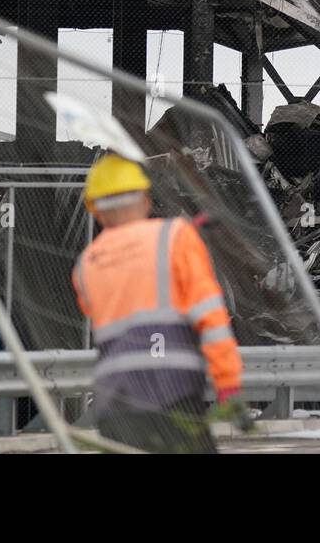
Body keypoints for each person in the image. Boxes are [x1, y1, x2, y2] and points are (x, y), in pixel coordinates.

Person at [72, 153, 243, 453]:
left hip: (116, 405)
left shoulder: (86, 265)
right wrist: (227, 382)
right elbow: (211, 318)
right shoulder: (175, 237)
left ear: (94, 210)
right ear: (145, 199)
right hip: (172, 394)